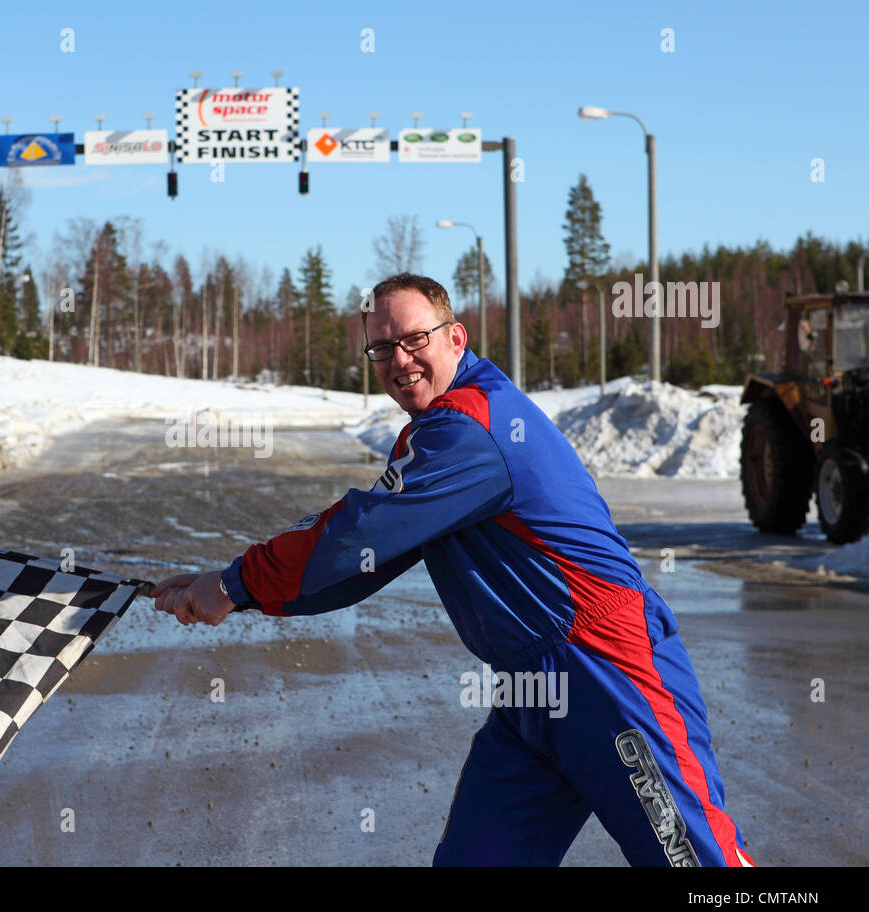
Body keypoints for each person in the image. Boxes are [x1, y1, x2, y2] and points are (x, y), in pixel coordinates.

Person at [151, 272, 754, 867]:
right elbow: (364, 563)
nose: (400, 360)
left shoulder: (470, 428)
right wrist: (242, 592)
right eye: (382, 348)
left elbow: (354, 531)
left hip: (607, 670)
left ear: (456, 338)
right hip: (531, 689)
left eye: (415, 340)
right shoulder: (436, 432)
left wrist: (235, 584)